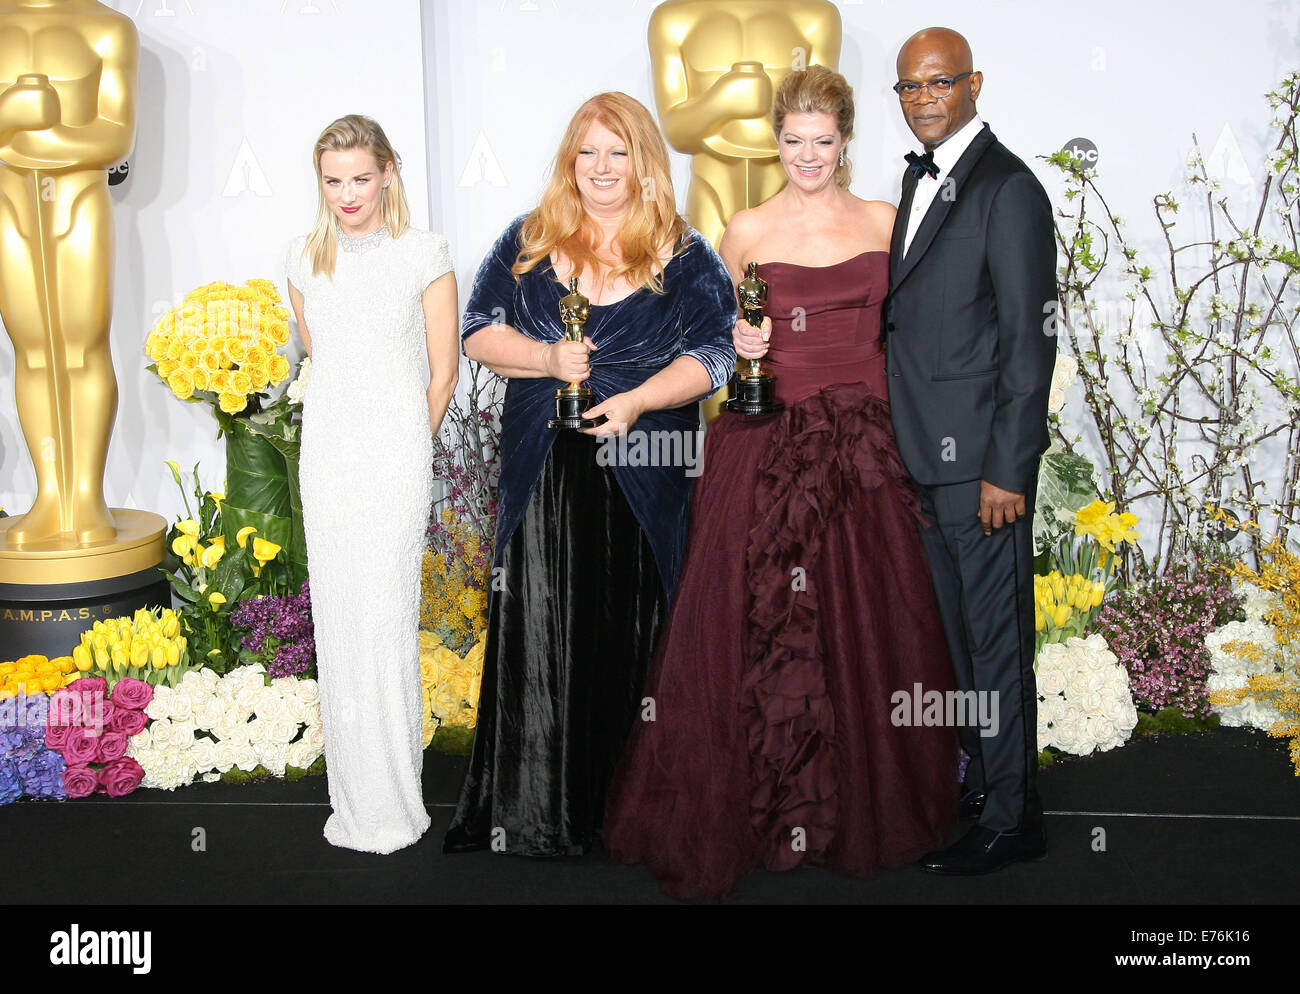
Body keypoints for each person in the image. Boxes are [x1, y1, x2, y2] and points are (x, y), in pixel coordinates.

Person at [602, 65, 959, 901]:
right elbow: (719, 339)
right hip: (771, 442)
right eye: (793, 140)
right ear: (776, 139)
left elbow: (918, 328)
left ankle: (870, 800)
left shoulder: (886, 219)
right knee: (761, 629)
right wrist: (740, 343)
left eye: (822, 141)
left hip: (869, 443)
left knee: (873, 626)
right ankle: (769, 808)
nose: (807, 155)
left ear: (846, 141)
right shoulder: (744, 229)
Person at [442, 92, 736, 857]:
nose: (603, 169)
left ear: (643, 159)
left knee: (638, 628)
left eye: (619, 152)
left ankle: (634, 812)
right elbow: (476, 332)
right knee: (541, 626)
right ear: (569, 160)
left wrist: (637, 400)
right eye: (588, 152)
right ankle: (540, 812)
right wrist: (544, 358)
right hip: (544, 463)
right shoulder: (529, 239)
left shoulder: (685, 249)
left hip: (648, 465)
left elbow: (715, 355)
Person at [884, 27, 1057, 874]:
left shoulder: (1008, 188)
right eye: (909, 87)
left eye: (938, 83)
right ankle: (988, 785)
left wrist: (1008, 469)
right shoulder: (918, 181)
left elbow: (1030, 343)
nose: (922, 98)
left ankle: (1016, 819)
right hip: (922, 457)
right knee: (959, 642)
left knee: (995, 642)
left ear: (973, 84)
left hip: (981, 470)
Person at [285, 114, 458, 854]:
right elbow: (323, 363)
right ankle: (355, 800)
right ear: (319, 182)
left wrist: (406, 446)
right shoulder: (301, 261)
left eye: (361, 177)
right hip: (327, 460)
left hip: (393, 460)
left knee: (385, 618)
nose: (348, 194)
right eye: (334, 180)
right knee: (341, 620)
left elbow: (443, 371)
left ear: (388, 172)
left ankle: (397, 802)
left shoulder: (426, 254)